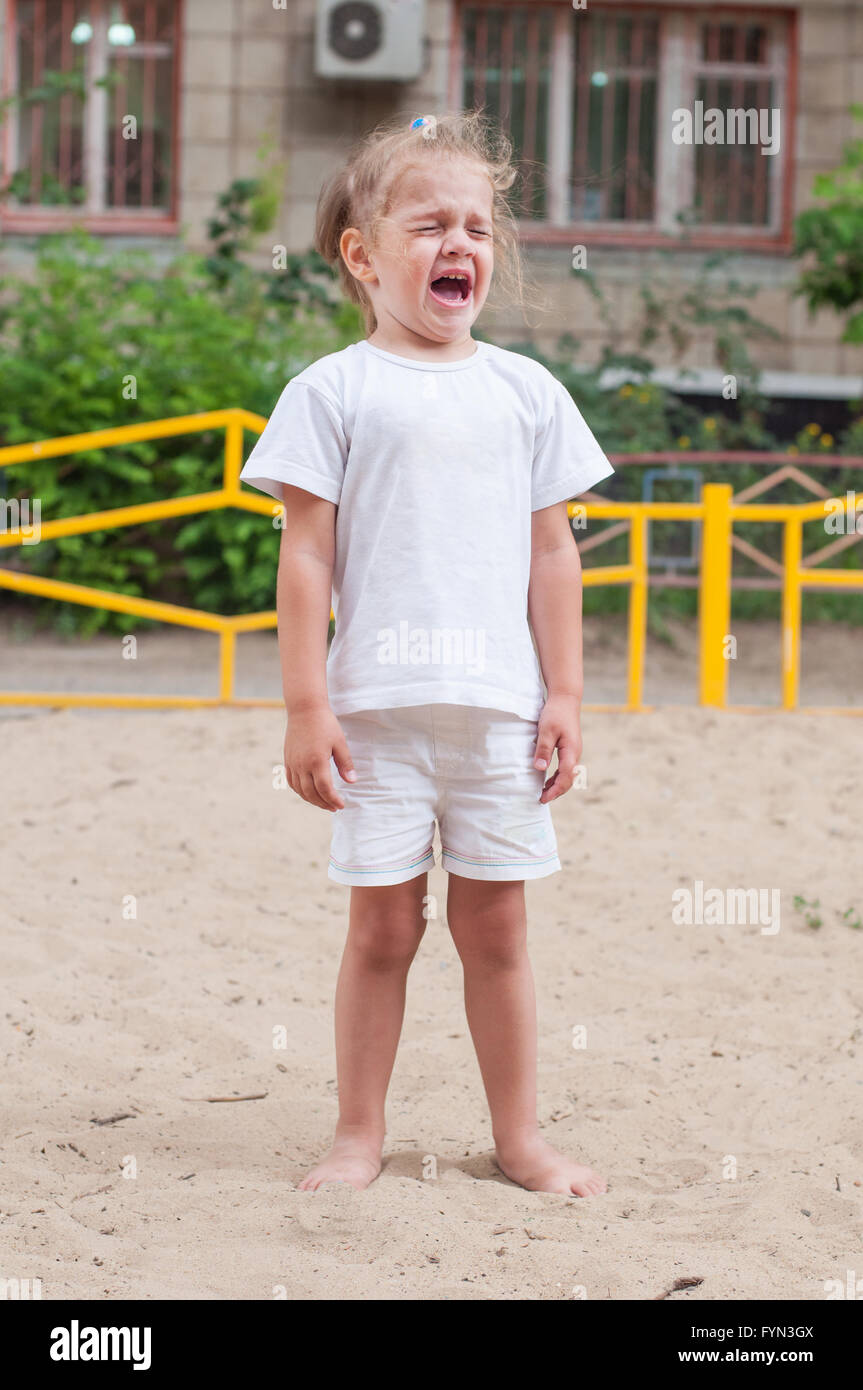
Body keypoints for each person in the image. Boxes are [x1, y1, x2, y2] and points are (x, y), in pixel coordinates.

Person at [239, 110, 613, 1197]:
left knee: (495, 930)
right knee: (380, 929)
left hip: (500, 712)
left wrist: (567, 695)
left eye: (478, 227)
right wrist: (306, 707)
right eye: (428, 224)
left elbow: (553, 556)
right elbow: (304, 557)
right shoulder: (332, 391)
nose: (460, 245)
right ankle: (358, 1133)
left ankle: (519, 1137)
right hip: (378, 718)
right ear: (362, 254)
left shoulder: (526, 392)